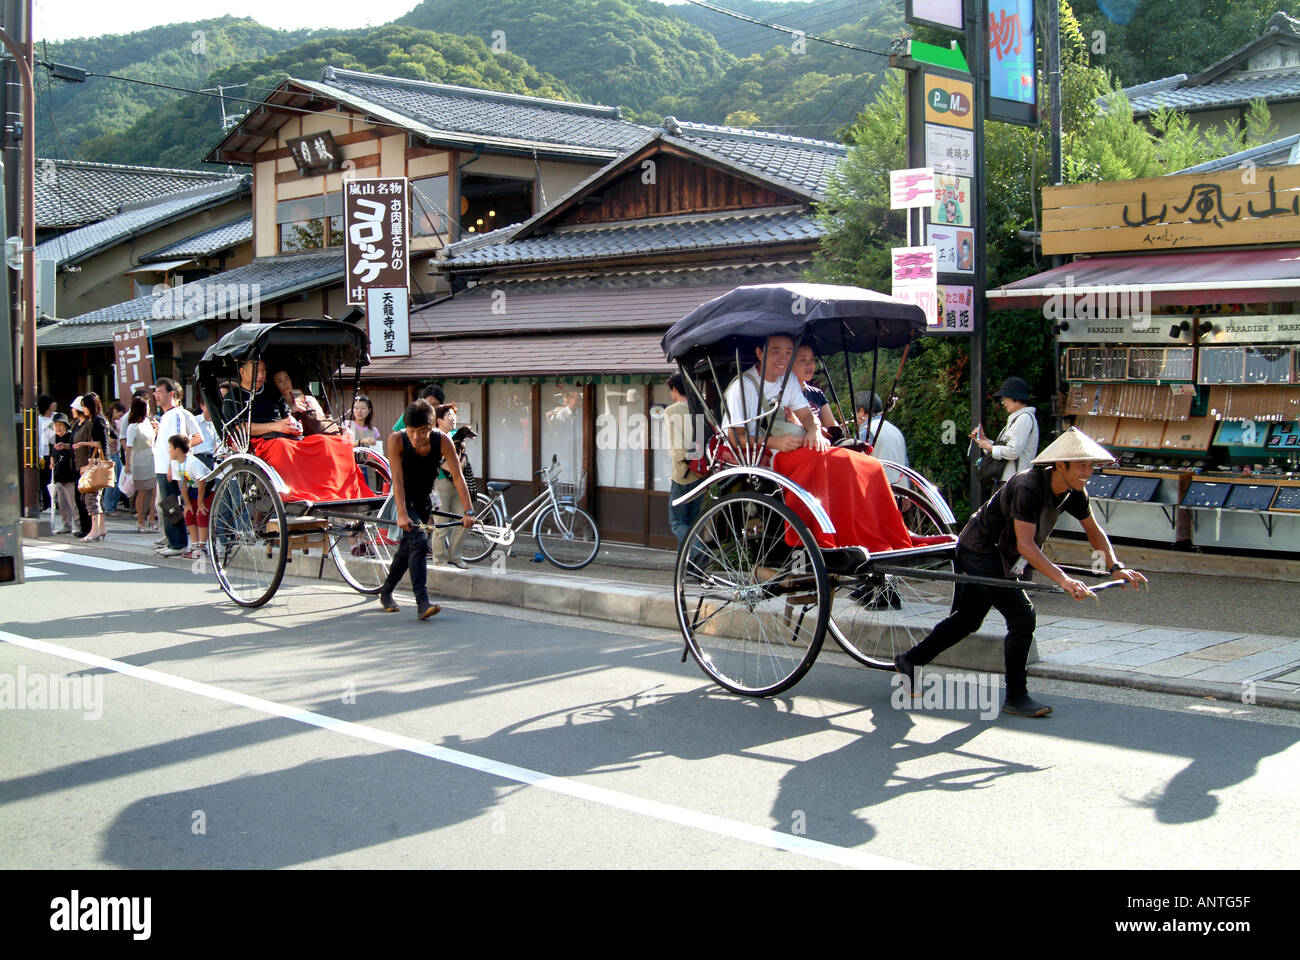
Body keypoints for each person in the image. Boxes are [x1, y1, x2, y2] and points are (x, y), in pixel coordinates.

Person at [894, 428, 1149, 717]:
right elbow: (1027, 545)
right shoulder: (1029, 485)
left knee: (968, 619)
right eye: (1082, 465)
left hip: (1005, 553)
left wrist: (1115, 567)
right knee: (1021, 616)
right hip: (981, 548)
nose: (1088, 472)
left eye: (1091, 465)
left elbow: (1093, 530)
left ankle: (910, 660)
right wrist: (1064, 580)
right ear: (1060, 464)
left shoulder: (1074, 491)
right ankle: (1016, 696)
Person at [724, 336, 911, 554]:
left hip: (797, 446)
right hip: (764, 454)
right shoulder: (744, 386)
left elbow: (807, 416)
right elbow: (735, 437)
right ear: (760, 353)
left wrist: (814, 431)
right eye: (776, 351)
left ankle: (875, 534)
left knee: (866, 464)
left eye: (788, 352)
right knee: (824, 462)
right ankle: (828, 538)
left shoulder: (788, 380)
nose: (783, 358)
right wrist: (776, 442)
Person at [379, 399, 475, 620]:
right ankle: (422, 602)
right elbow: (398, 480)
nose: (415, 437)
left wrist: (468, 511)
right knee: (420, 542)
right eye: (411, 431)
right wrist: (402, 513)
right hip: (403, 500)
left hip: (424, 501)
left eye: (421, 431)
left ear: (431, 427)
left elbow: (458, 477)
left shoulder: (442, 441)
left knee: (407, 549)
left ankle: (386, 592)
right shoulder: (396, 440)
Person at [152, 378, 202, 556]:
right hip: (162, 467)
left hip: (170, 468)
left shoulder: (176, 414)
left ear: (171, 394)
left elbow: (181, 441)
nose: (156, 395)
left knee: (171, 505)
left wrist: (172, 465)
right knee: (166, 505)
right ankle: (173, 540)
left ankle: (178, 542)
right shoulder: (166, 416)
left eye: (160, 392)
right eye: (155, 392)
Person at [971, 376, 1040, 487]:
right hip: (1009, 481)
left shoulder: (1024, 418)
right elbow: (1005, 448)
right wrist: (984, 441)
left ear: (1015, 397)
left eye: (1004, 398)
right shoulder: (1017, 419)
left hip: (1016, 481)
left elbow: (1013, 451)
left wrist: (990, 447)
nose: (1003, 403)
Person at [664, 373, 706, 547]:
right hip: (701, 472)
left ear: (674, 389)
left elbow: (678, 447)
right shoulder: (699, 409)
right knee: (692, 522)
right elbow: (702, 440)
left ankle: (700, 551)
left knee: (677, 521)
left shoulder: (671, 411)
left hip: (684, 473)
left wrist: (683, 466)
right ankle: (691, 567)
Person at [431, 403, 469, 568]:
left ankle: (455, 556)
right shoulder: (435, 436)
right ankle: (439, 559)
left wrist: (460, 464)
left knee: (464, 520)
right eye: (449, 416)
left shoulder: (457, 435)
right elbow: (441, 464)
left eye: (454, 416)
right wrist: (456, 467)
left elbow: (464, 458)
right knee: (441, 523)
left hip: (458, 482)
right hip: (440, 483)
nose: (453, 419)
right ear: (439, 420)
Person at [167, 433, 213, 560]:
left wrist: (200, 502)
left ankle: (203, 546)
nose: (169, 451)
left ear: (178, 450)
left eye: (170, 448)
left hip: (207, 488)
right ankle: (195, 544)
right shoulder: (175, 463)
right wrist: (187, 503)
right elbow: (181, 485)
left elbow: (203, 481)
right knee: (188, 513)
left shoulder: (192, 462)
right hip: (193, 489)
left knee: (201, 513)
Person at [72, 392, 110, 542]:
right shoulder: (100, 420)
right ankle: (100, 528)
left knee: (91, 498)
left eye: (85, 406)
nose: (84, 410)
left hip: (98, 462)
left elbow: (100, 444)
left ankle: (95, 529)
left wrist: (83, 444)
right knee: (95, 498)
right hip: (100, 461)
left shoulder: (98, 421)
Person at [855, 391, 909, 487]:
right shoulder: (896, 431)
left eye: (855, 412)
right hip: (901, 491)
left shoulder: (866, 432)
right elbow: (905, 466)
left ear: (862, 411)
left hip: (880, 491)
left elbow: (859, 469)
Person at [123, 395, 157, 533]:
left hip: (151, 459)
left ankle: (151, 519)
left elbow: (151, 439)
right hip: (139, 461)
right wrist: (127, 464)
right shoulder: (133, 427)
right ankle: (140, 521)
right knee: (142, 492)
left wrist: (157, 428)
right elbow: (129, 447)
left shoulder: (147, 422)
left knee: (154, 490)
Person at [792, 344, 838, 435]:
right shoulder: (783, 395)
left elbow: (832, 426)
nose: (809, 365)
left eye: (812, 359)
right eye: (803, 360)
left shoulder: (817, 394)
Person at [49, 413, 77, 533]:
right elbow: (52, 455)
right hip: (58, 474)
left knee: (73, 502)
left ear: (66, 426)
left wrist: (64, 447)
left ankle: (79, 525)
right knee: (62, 503)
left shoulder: (71, 437)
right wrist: (51, 464)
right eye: (56, 425)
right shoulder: (52, 439)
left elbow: (74, 448)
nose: (58, 428)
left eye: (60, 425)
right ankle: (66, 525)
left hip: (70, 474)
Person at [103, 401, 127, 515]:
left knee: (119, 481)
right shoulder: (106, 423)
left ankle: (111, 506)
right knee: (113, 481)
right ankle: (109, 507)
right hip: (110, 454)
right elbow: (109, 440)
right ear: (114, 410)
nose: (120, 416)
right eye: (119, 413)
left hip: (116, 454)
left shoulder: (116, 424)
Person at [37, 394, 55, 512]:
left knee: (55, 478)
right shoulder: (39, 420)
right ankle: (47, 504)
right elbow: (38, 438)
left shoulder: (56, 416)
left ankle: (54, 501)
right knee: (46, 479)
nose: (55, 403)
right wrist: (39, 454)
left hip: (56, 451)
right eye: (52, 402)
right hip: (44, 453)